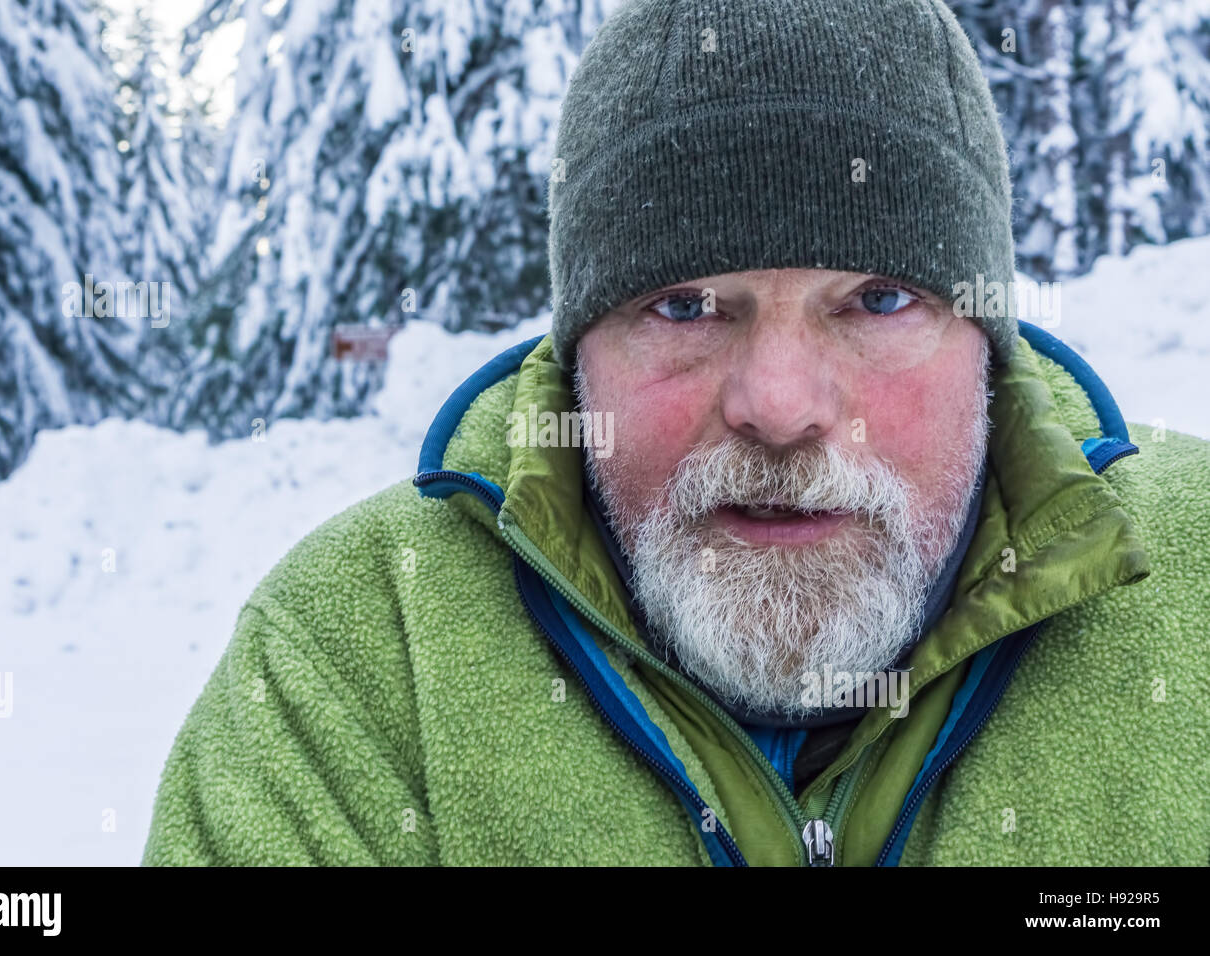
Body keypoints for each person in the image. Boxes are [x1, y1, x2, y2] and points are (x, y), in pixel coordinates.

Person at [142, 0, 1210, 866]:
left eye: (878, 299)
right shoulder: (360, 660)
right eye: (687, 306)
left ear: (987, 343)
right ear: (574, 356)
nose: (780, 405)